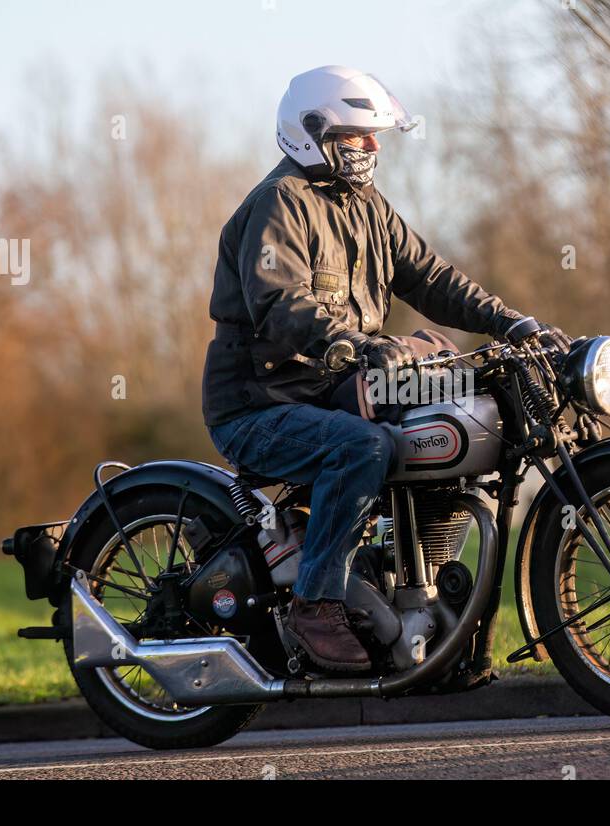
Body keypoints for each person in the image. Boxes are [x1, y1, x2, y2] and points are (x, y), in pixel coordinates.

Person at [203, 65, 566, 672]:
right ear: (314, 132)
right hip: (258, 405)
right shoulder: (278, 205)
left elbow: (431, 277)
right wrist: (364, 347)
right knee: (364, 448)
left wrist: (510, 322)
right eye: (358, 135)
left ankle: (415, 590)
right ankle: (316, 604)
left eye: (375, 136)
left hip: (328, 390)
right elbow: (282, 304)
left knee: (456, 405)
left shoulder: (366, 207)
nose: (372, 147)